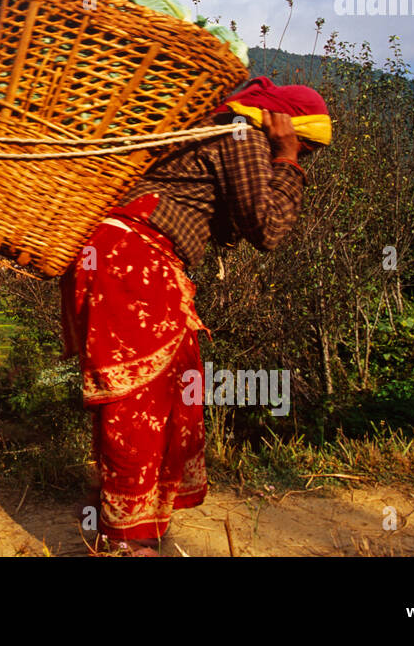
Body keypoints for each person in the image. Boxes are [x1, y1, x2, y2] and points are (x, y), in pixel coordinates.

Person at [60, 76, 331, 555]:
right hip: (133, 259)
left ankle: (125, 520)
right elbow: (268, 229)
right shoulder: (241, 135)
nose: (299, 158)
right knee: (138, 401)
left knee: (171, 391)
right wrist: (286, 158)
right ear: (282, 124)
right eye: (303, 146)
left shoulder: (220, 133)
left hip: (130, 257)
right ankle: (129, 538)